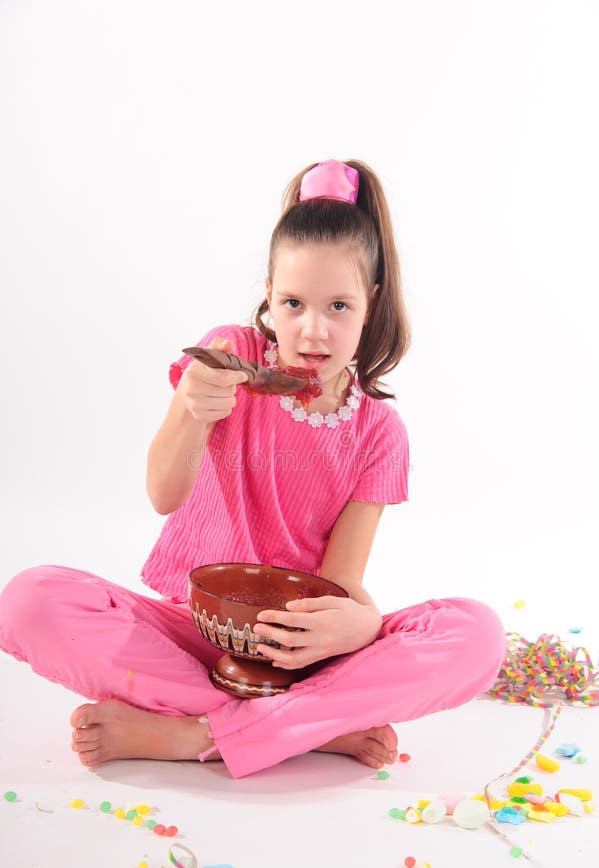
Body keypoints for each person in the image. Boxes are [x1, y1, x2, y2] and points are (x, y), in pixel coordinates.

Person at [0, 158, 506, 779]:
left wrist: (362, 622)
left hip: (299, 650)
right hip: (196, 632)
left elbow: (340, 583)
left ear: (370, 306)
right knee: (29, 599)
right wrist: (192, 408)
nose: (312, 330)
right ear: (269, 293)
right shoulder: (230, 358)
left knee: (476, 634)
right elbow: (163, 494)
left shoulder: (378, 432)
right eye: (293, 302)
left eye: (339, 306)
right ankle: (312, 728)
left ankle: (196, 736)